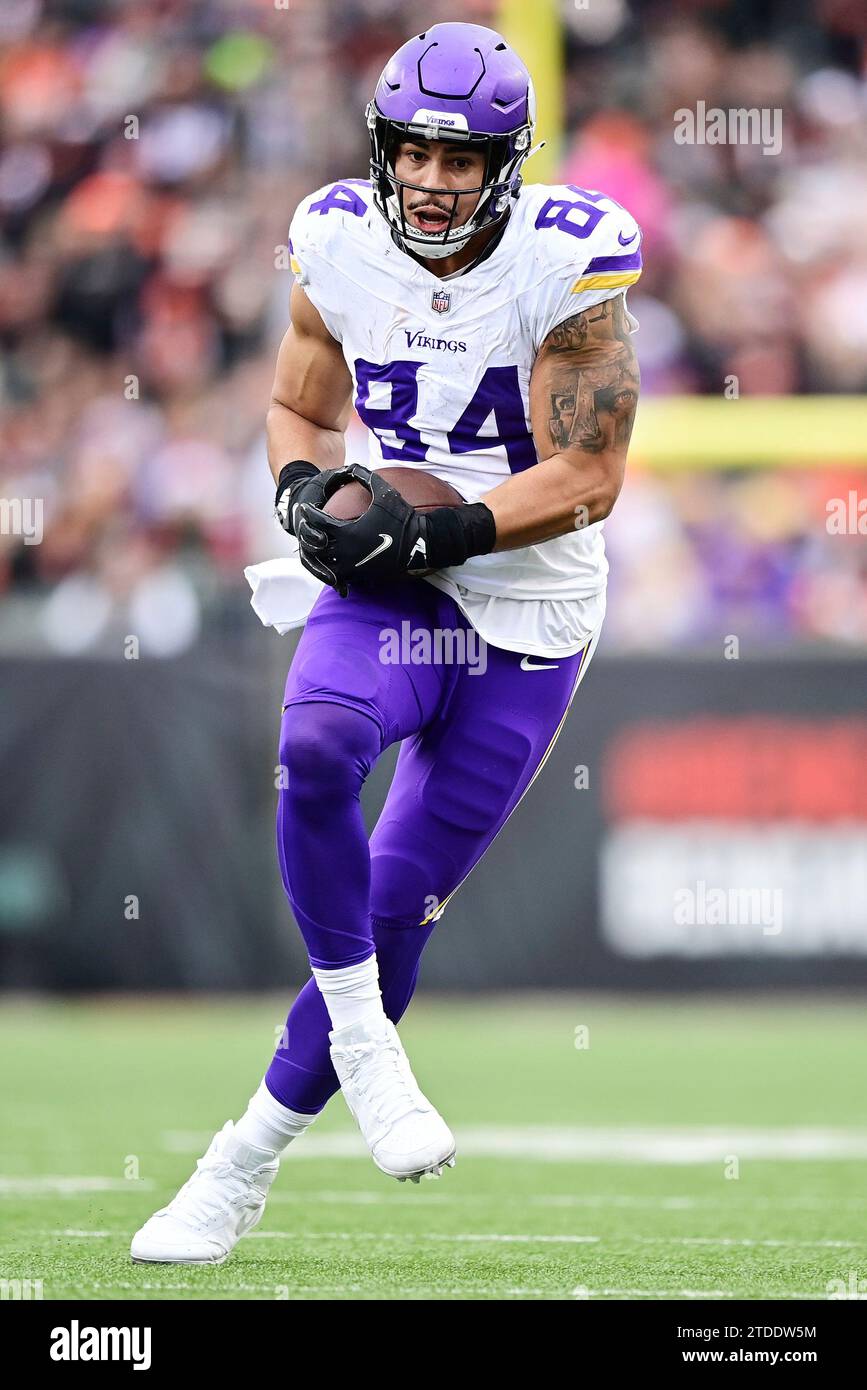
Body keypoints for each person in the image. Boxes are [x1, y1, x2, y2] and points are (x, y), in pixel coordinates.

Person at [131, 20, 640, 1266]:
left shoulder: (569, 262)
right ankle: (364, 1044)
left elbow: (591, 472)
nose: (428, 179)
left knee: (397, 902)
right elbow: (299, 404)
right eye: (411, 151)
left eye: (458, 161)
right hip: (398, 576)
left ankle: (239, 1156)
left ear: (506, 166)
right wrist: (301, 493)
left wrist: (448, 529)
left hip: (525, 605)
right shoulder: (336, 236)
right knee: (315, 748)